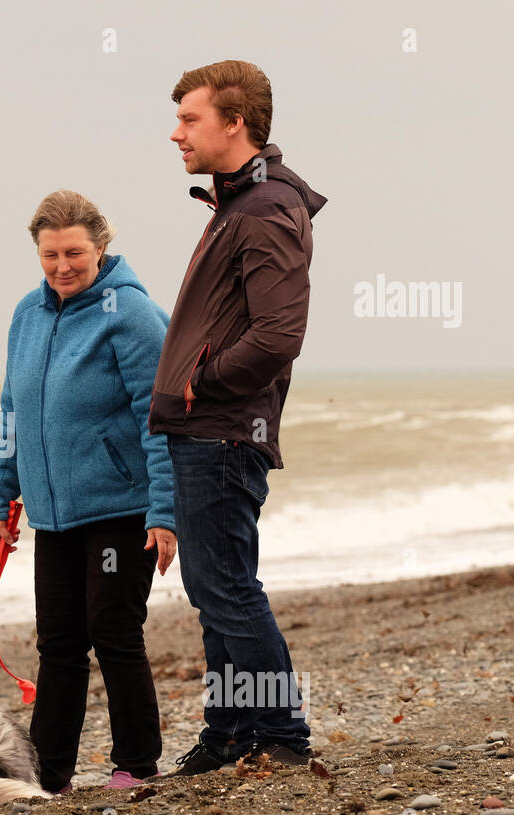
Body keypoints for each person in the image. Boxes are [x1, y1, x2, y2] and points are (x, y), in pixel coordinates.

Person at [148, 60, 328, 774]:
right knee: (215, 587)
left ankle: (282, 734)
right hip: (209, 429)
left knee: (225, 587)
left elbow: (279, 335)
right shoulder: (238, 204)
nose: (176, 133)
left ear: (235, 123)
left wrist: (200, 384)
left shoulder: (264, 209)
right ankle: (229, 734)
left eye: (189, 119)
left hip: (223, 430)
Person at [0, 190, 177, 793]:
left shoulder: (131, 313)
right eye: (50, 255)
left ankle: (136, 765)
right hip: (52, 515)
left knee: (113, 632)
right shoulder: (27, 314)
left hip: (122, 508)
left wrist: (165, 512)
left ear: (101, 247)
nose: (62, 266)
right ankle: (49, 775)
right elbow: (12, 412)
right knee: (58, 643)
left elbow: (159, 418)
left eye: (74, 253)